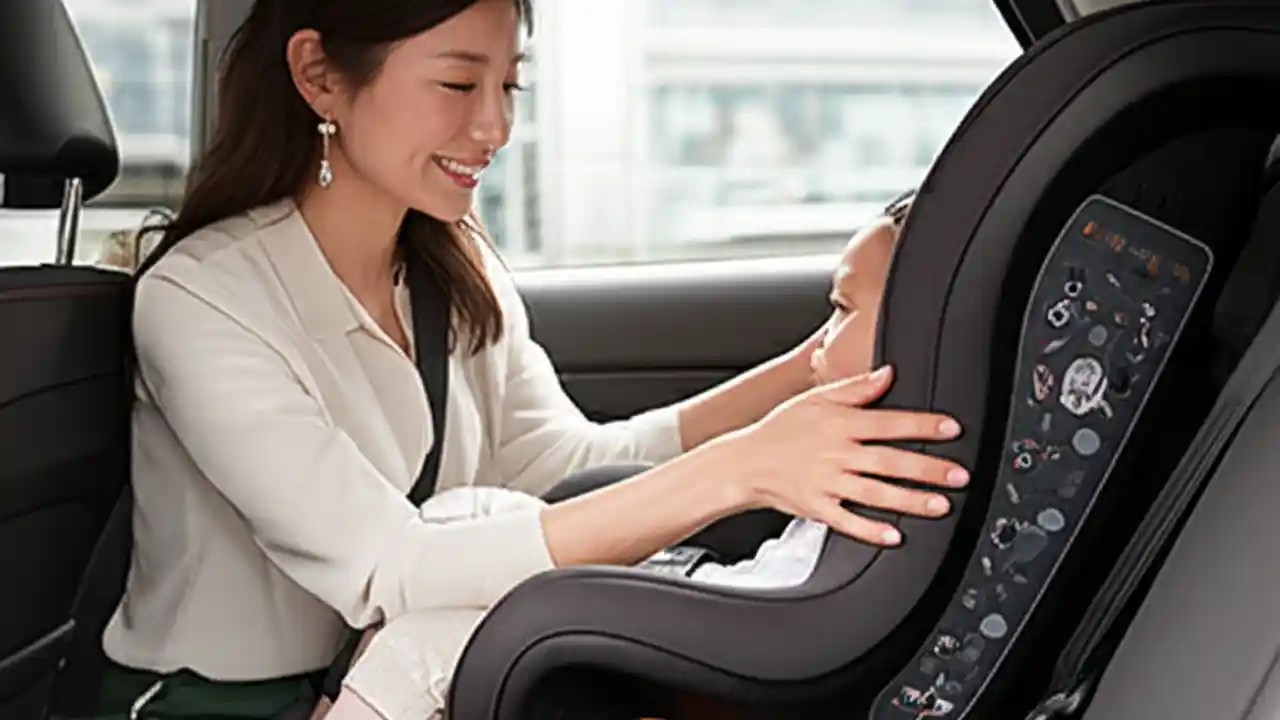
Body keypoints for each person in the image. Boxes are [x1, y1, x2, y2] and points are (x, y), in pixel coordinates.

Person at [94, 1, 966, 718]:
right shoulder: (203, 297)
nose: (497, 125)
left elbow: (567, 469)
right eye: (458, 82)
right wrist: (743, 471)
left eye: (509, 84)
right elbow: (388, 569)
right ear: (320, 75)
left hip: (401, 679)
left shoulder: (451, 261)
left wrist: (840, 353)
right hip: (216, 704)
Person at [321, 197, 916, 720]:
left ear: (921, 334)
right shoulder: (870, 446)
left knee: (428, 634)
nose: (819, 341)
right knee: (464, 509)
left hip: (730, 653)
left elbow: (804, 627)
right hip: (726, 611)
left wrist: (580, 598)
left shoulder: (893, 471)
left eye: (841, 310)